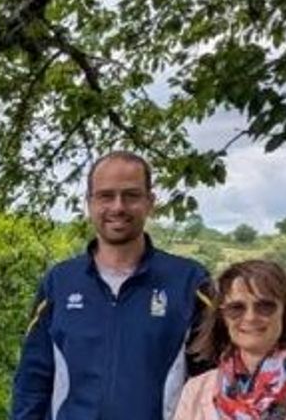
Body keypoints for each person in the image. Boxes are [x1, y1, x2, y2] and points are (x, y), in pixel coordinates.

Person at [12, 150, 214, 420]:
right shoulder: (59, 282)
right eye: (106, 196)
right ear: (90, 203)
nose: (118, 207)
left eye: (131, 195)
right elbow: (32, 381)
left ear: (150, 202)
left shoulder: (189, 282)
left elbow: (214, 383)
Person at [174, 259, 286, 420]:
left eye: (265, 306)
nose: (250, 317)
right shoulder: (196, 392)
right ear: (222, 317)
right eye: (236, 308)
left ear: (285, 313)